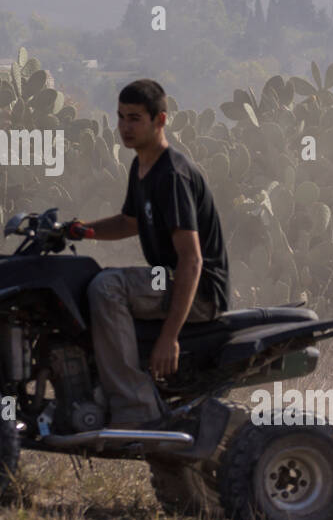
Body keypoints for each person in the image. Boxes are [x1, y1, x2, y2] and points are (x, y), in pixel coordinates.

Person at [67, 79, 231, 430]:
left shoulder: (171, 174)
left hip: (199, 290)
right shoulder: (142, 166)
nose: (125, 127)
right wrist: (81, 230)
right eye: (121, 117)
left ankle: (135, 408)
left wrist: (169, 336)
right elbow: (130, 222)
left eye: (135, 118)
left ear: (160, 120)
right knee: (90, 279)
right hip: (168, 280)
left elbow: (192, 259)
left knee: (107, 286)